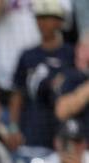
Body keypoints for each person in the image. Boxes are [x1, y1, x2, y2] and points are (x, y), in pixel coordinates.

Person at [10, 0, 74, 151]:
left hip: (65, 125)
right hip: (34, 126)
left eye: (48, 18)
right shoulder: (27, 56)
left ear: (59, 22)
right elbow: (17, 94)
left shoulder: (71, 54)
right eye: (39, 18)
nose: (42, 23)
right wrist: (14, 127)